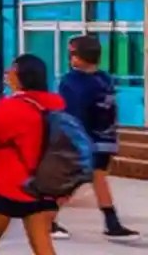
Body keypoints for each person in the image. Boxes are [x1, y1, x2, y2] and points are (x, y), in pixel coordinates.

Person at [0, 54, 64, 255]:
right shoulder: (57, 105)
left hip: (8, 186)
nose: (7, 74)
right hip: (43, 187)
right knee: (43, 245)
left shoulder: (10, 107)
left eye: (11, 70)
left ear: (21, 76)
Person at [56, 35, 139, 241]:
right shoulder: (71, 81)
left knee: (95, 177)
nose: (70, 57)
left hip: (103, 140)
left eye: (73, 53)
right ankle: (45, 216)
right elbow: (70, 115)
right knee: (76, 181)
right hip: (83, 141)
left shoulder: (103, 79)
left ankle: (111, 223)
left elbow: (109, 110)